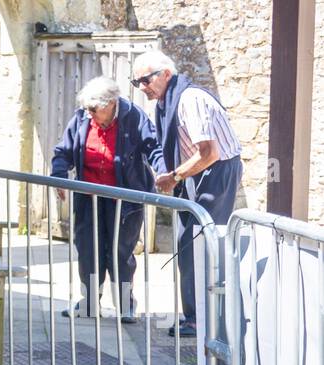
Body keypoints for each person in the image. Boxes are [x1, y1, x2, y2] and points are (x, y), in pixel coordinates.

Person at [132, 50, 243, 338]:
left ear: (165, 74)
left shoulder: (189, 100)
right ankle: (195, 315)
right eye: (137, 83)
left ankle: (204, 319)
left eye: (145, 80)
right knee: (187, 245)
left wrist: (175, 176)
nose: (142, 88)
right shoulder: (167, 103)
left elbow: (209, 153)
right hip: (198, 172)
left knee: (199, 243)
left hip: (215, 170)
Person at [50, 76, 163, 323]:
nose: (89, 114)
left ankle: (125, 305)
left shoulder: (133, 116)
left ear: (111, 103)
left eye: (94, 109)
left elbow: (153, 147)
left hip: (124, 198)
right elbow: (63, 151)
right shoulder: (82, 117)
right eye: (87, 109)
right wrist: (59, 176)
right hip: (89, 197)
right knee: (89, 250)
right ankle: (89, 302)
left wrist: (164, 173)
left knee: (120, 251)